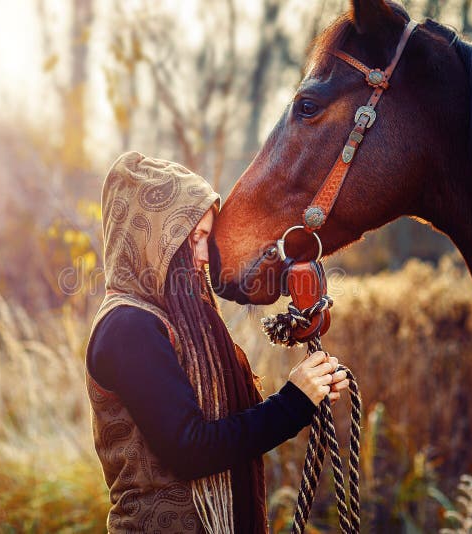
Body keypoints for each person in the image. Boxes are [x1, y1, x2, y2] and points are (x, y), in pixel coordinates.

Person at [85, 151, 349, 533]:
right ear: (155, 240)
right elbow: (191, 449)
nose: (205, 256)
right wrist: (293, 403)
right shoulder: (130, 327)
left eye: (207, 239)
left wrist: (310, 393)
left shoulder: (165, 318)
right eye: (195, 239)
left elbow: (224, 423)